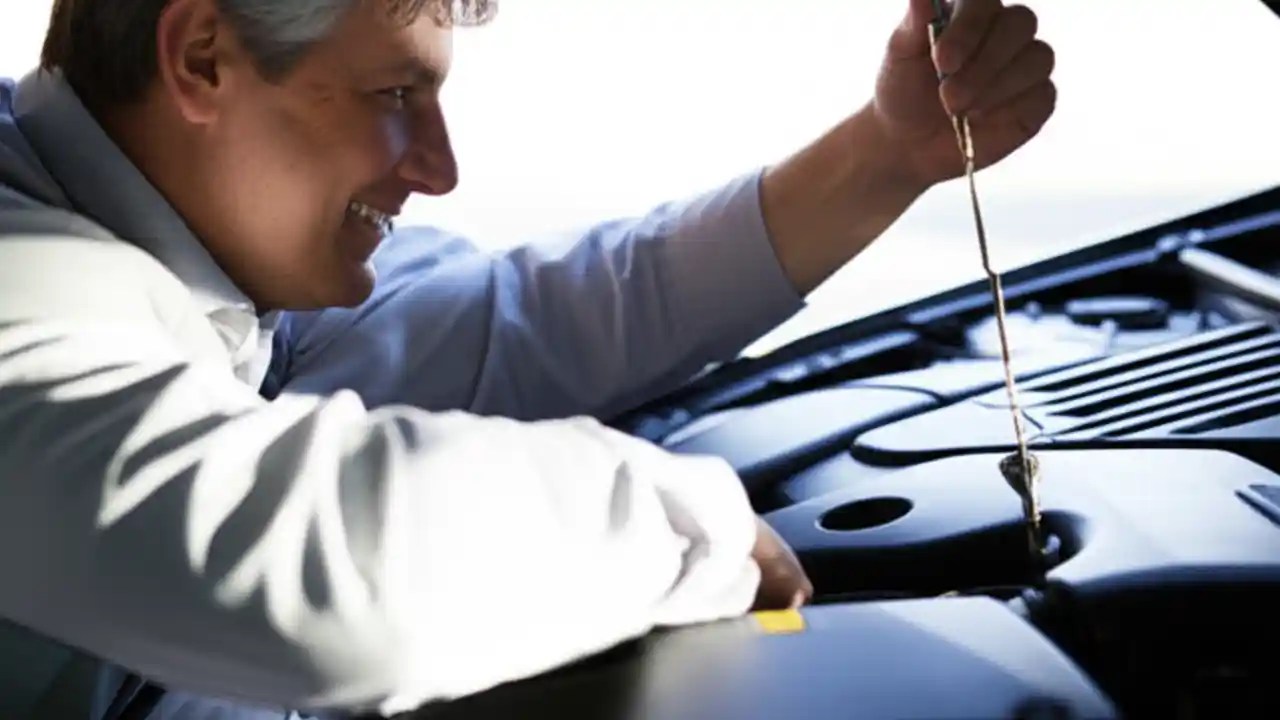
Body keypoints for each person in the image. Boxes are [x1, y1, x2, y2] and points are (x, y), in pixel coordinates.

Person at [0, 0, 1056, 717]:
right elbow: (308, 582)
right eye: (392, 96)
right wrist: (692, 525)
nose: (439, 167)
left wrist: (887, 152)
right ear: (201, 60)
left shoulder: (195, 255)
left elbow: (532, 318)